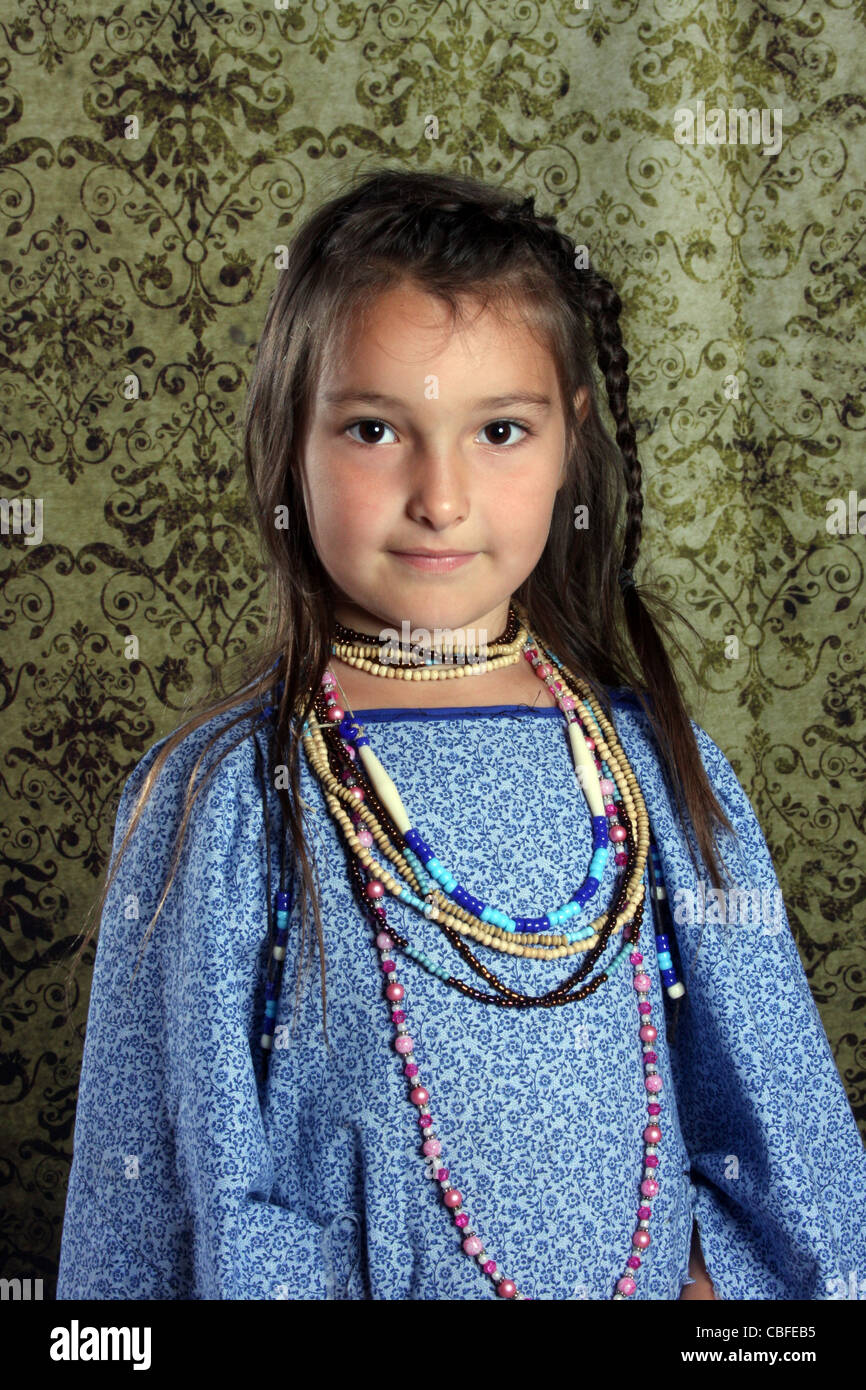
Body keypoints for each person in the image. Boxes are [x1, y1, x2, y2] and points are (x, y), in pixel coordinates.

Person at [56, 168, 865, 1301]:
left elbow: (780, 1146)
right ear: (291, 436)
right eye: (376, 428)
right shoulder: (226, 800)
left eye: (497, 430)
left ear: (570, 441)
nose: (439, 497)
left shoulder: (650, 777)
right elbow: (140, 1218)